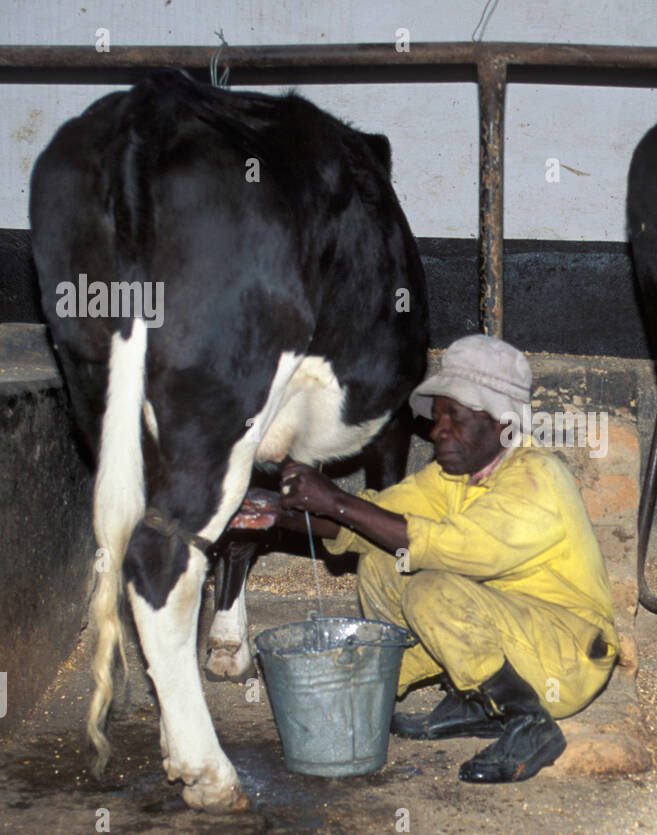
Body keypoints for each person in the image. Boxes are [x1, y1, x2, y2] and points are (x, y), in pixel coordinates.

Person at [238, 334, 619, 783]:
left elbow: (453, 549)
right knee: (383, 556)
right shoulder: (455, 478)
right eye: (438, 418)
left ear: (504, 424)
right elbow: (370, 519)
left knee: (431, 589)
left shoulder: (538, 477)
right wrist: (275, 511)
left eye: (455, 418)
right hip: (517, 636)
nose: (438, 431)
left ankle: (528, 720)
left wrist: (335, 500)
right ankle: (474, 699)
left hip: (567, 657)